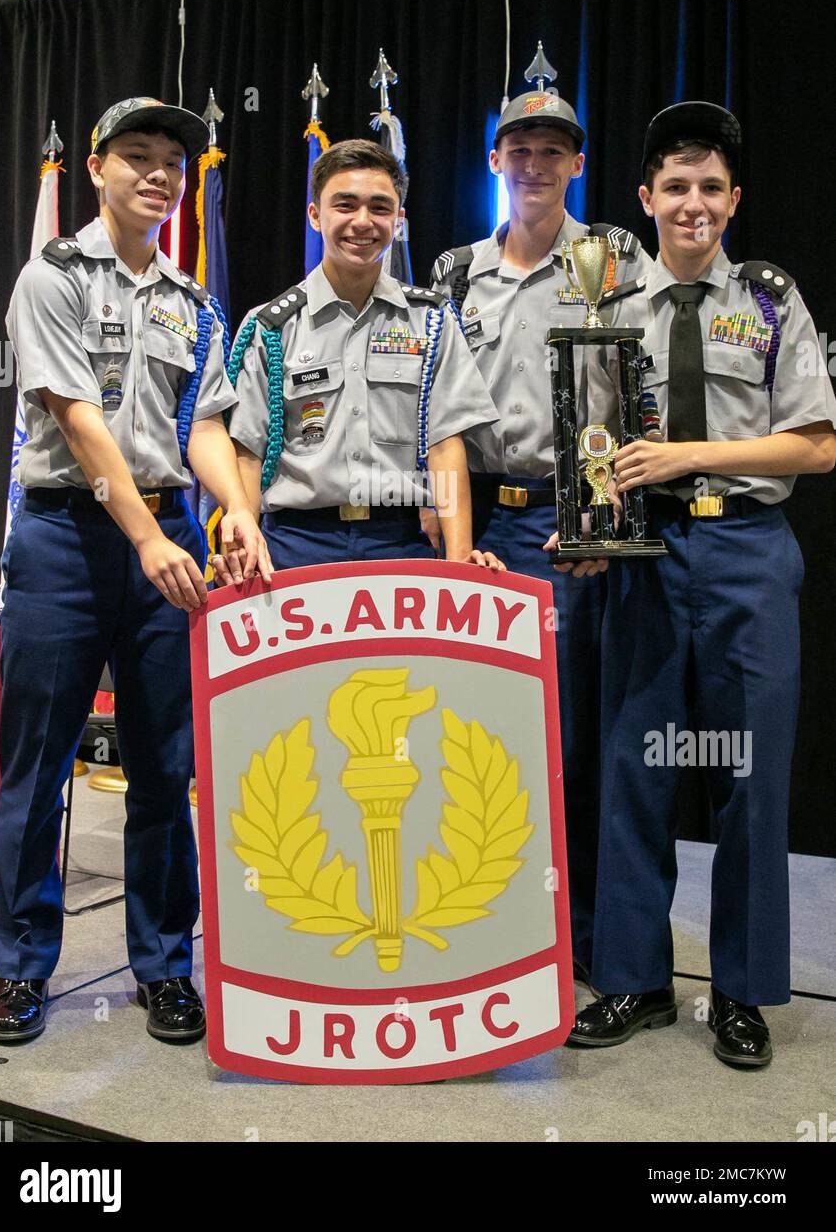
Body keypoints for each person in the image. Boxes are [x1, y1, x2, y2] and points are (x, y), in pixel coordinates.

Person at [0, 97, 270, 1047]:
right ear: (98, 167)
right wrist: (147, 538)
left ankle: (164, 967)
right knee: (40, 765)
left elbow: (204, 429)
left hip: (168, 531)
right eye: (138, 156)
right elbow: (75, 416)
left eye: (173, 164)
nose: (159, 174)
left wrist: (236, 510)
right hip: (68, 540)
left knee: (165, 767)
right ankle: (24, 966)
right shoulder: (54, 276)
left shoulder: (194, 304)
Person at [567, 100, 836, 1067]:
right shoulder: (609, 309)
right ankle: (633, 980)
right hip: (646, 562)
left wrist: (687, 455)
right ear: (645, 198)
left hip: (745, 552)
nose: (692, 204)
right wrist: (595, 525)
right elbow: (593, 442)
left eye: (710, 187)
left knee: (750, 781)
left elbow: (816, 442)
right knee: (633, 771)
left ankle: (742, 993)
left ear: (733, 200)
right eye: (674, 187)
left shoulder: (768, 300)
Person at [430, 89, 651, 980]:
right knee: (488, 742)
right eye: (518, 148)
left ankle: (588, 942)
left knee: (582, 745)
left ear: (577, 164)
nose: (534, 163)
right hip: (480, 521)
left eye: (553, 149)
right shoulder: (453, 273)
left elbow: (628, 385)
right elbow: (428, 400)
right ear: (495, 162)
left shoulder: (609, 258)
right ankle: (498, 934)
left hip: (577, 526)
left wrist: (601, 515)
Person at [224, 139, 502, 572]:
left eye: (379, 207)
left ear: (399, 220)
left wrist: (459, 557)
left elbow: (446, 446)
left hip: (398, 540)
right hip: (295, 544)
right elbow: (248, 450)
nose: (362, 222)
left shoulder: (430, 321)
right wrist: (244, 546)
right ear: (315, 215)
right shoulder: (271, 326)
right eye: (345, 205)